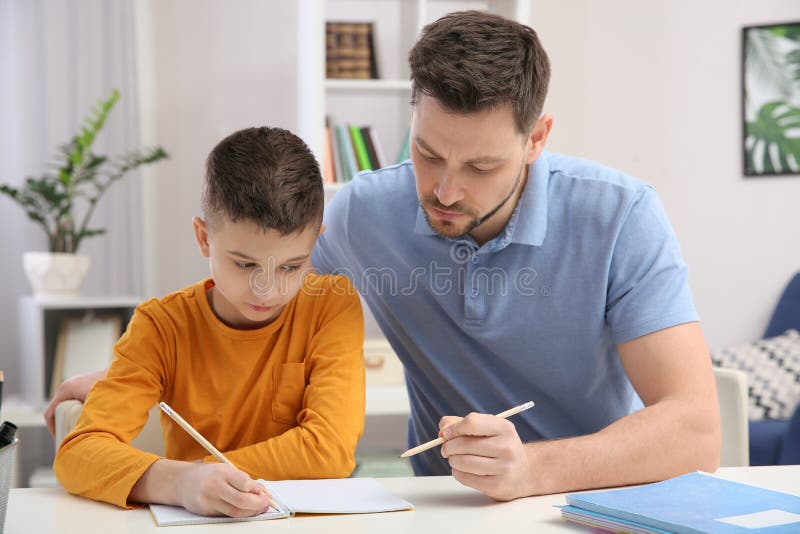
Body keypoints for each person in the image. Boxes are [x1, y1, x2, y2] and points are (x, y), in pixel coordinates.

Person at [48, 11, 720, 502]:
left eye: (481, 165)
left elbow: (694, 430)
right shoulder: (360, 212)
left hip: (596, 500)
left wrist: (535, 470)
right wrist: (132, 374)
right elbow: (265, 289)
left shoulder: (622, 215)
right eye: (426, 153)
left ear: (537, 138)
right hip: (446, 506)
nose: (445, 190)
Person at [51, 127, 365, 516]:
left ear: (315, 242)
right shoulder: (161, 326)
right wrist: (180, 483)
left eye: (291, 266)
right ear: (204, 238)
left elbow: (329, 450)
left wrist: (206, 472)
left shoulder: (331, 304)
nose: (266, 290)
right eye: (244, 263)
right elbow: (79, 453)